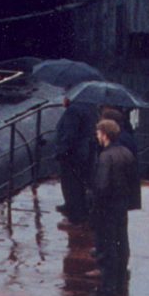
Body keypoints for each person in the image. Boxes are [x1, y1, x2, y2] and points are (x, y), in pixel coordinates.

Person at [92, 119, 137, 296]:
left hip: (107, 208)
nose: (96, 136)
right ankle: (119, 283)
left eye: (98, 133)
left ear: (105, 134)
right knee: (121, 244)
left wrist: (94, 207)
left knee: (107, 247)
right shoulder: (126, 152)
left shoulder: (106, 157)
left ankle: (107, 288)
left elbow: (101, 187)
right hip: (121, 206)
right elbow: (133, 182)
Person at [54, 94, 95, 225]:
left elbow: (69, 134)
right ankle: (75, 209)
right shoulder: (88, 106)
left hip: (73, 153)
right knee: (80, 182)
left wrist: (61, 151)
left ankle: (75, 217)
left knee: (71, 185)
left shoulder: (73, 110)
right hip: (85, 151)